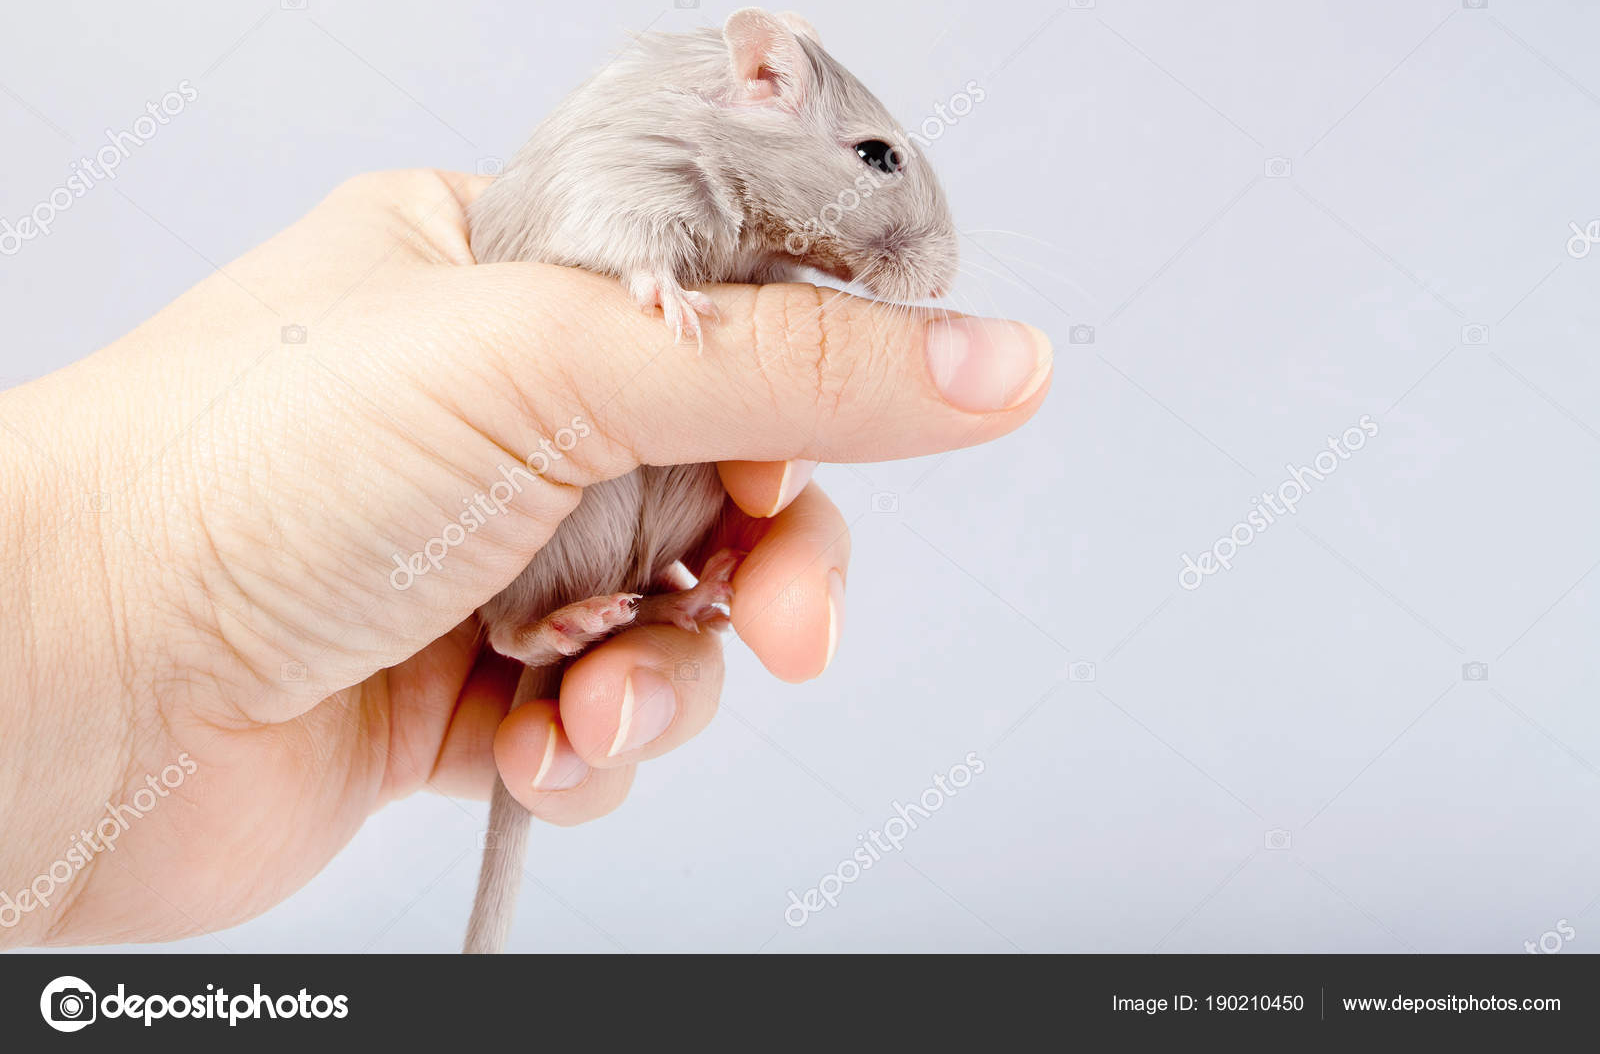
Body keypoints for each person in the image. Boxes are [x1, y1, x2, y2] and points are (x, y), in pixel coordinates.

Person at [0, 170, 1051, 945]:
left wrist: (117, 734)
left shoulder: (756, 236)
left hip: (596, 544)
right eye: (874, 161)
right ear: (759, 78)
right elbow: (594, 211)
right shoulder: (653, 143)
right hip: (531, 549)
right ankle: (531, 622)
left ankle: (644, 605)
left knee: (714, 509)